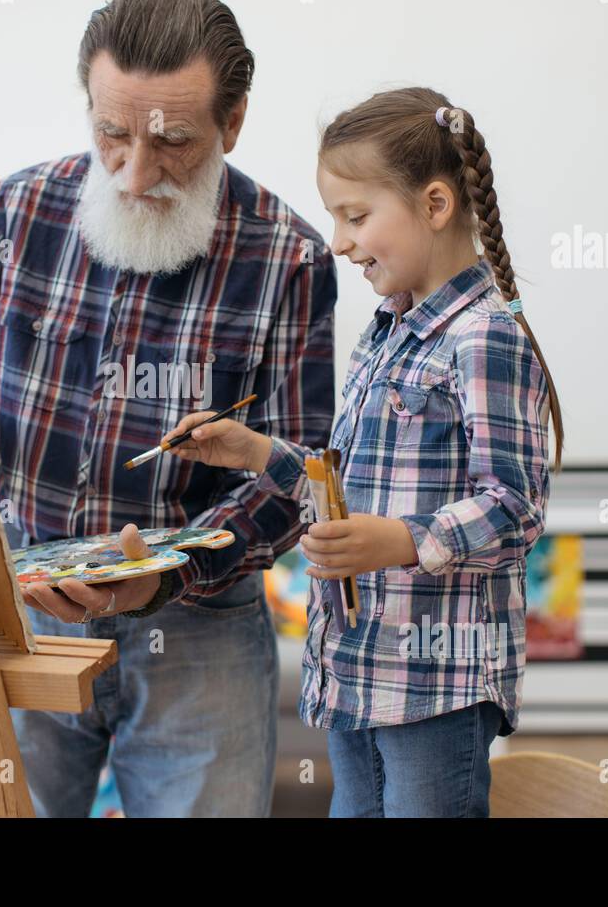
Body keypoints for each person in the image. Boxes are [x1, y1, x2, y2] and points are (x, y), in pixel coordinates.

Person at [0, 0, 337, 816]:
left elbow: (299, 475)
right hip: (22, 609)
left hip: (201, 627)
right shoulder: (14, 214)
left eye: (172, 140)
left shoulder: (289, 258)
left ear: (233, 123)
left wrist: (166, 575)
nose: (136, 171)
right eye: (112, 132)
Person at [162, 86, 564, 817]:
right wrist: (256, 451)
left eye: (355, 217)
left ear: (435, 206)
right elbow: (344, 486)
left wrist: (402, 541)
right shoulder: (386, 330)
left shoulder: (484, 338)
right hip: (356, 668)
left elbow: (515, 509)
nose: (340, 242)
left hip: (435, 683)